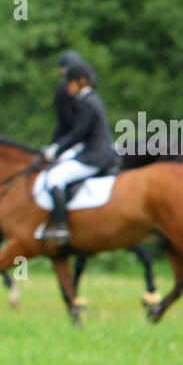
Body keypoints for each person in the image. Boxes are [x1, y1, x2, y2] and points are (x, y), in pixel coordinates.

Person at [40, 59, 119, 244]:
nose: (68, 87)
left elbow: (77, 133)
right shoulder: (91, 100)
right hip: (97, 151)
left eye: (70, 83)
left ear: (80, 81)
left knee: (54, 178)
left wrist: (56, 149)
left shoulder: (86, 103)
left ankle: (61, 227)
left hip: (94, 156)